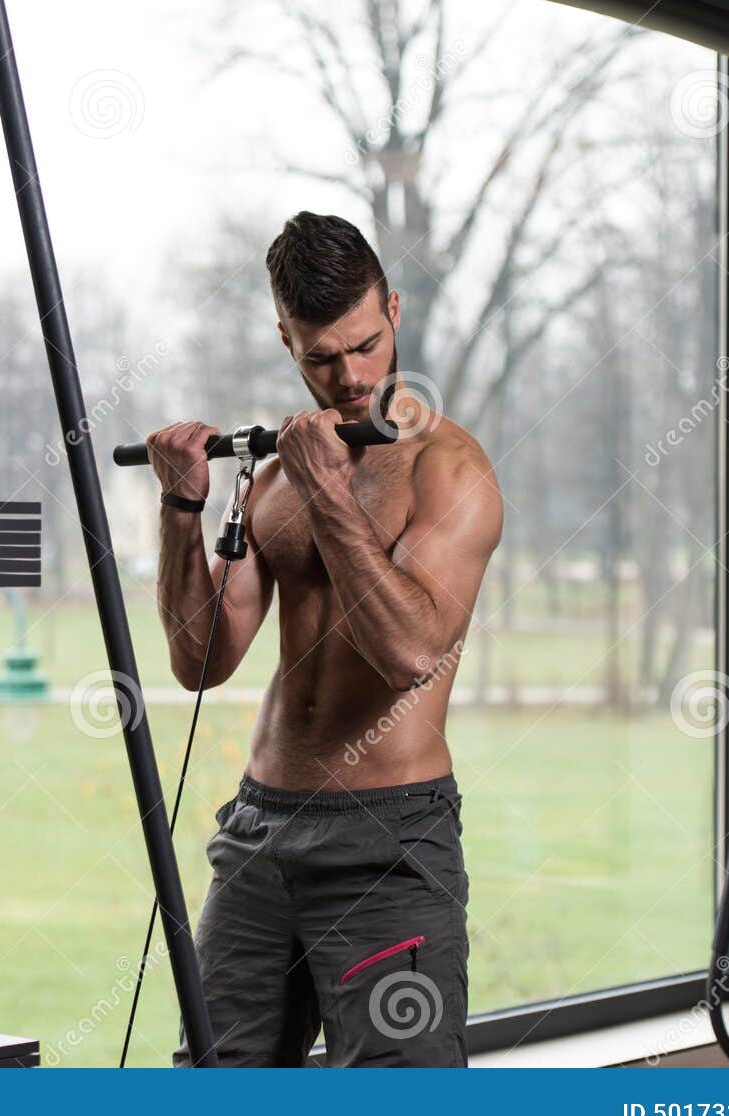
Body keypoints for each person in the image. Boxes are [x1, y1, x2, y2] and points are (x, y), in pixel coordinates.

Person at [147, 211, 502, 1066]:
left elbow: (411, 654)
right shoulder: (274, 476)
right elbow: (202, 659)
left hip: (386, 843)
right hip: (260, 834)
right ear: (285, 340)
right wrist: (181, 506)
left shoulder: (449, 470)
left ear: (395, 313)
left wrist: (331, 497)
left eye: (365, 344)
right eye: (321, 357)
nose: (348, 376)